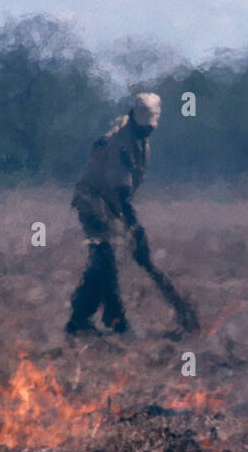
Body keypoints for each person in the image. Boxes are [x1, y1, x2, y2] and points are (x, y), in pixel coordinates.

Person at [67, 92, 199, 336]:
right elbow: (120, 190)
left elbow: (123, 194)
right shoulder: (119, 144)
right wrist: (136, 230)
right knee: (105, 259)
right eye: (143, 126)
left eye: (150, 127)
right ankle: (116, 320)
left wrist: (135, 233)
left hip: (111, 205)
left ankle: (78, 320)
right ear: (134, 118)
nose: (146, 131)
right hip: (92, 203)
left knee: (101, 263)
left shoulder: (141, 142)